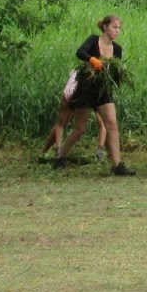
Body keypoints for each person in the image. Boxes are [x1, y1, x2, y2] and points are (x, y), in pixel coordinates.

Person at [52, 14, 134, 175]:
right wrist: (93, 61)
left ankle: (117, 164)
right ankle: (61, 157)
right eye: (114, 27)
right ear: (105, 27)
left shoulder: (117, 49)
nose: (117, 31)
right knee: (80, 129)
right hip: (86, 88)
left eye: (119, 28)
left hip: (103, 90)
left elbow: (115, 73)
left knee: (112, 124)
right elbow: (80, 52)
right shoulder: (93, 40)